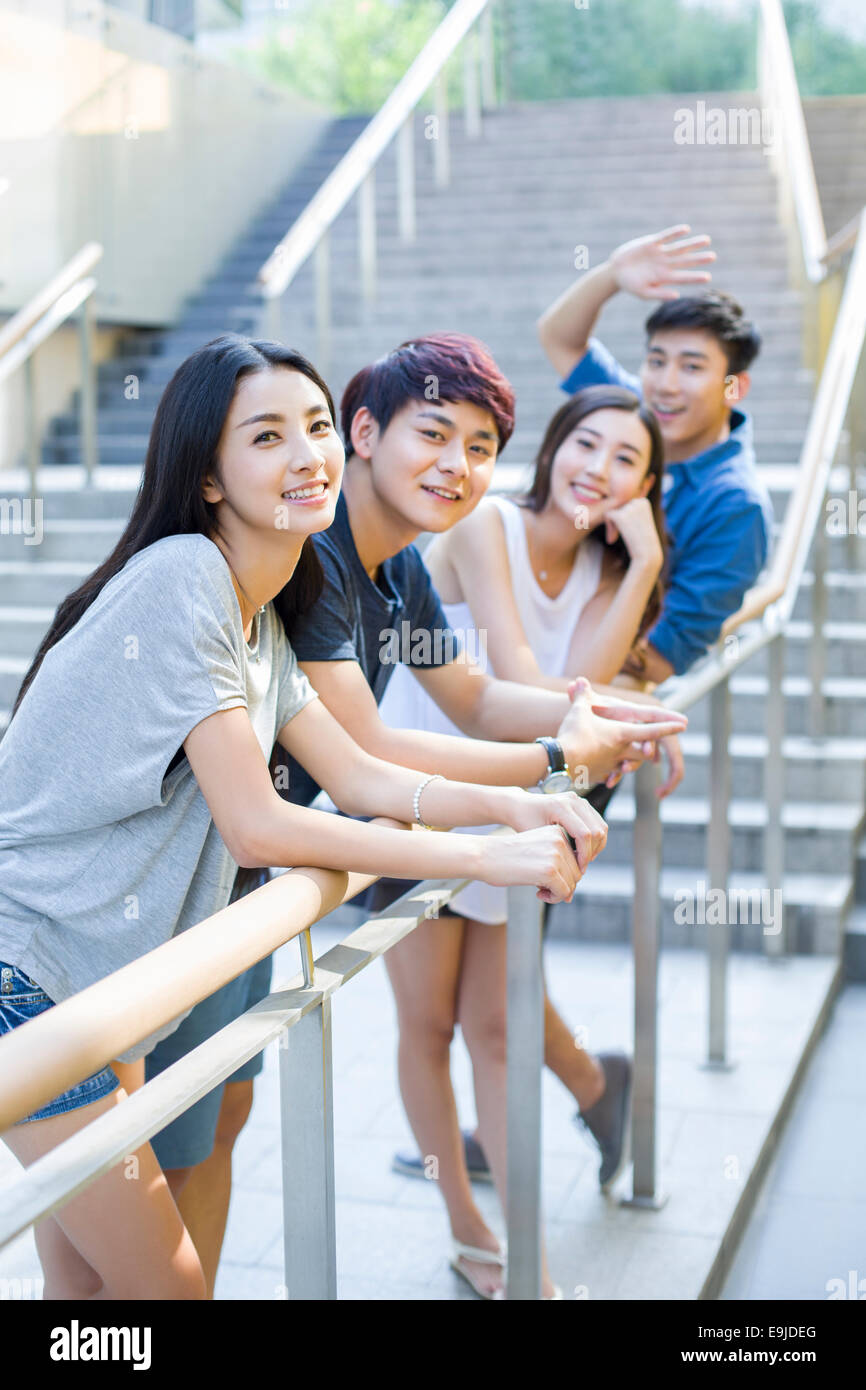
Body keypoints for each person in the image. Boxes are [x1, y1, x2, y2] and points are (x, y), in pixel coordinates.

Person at [0, 334, 615, 1301]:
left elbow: (361, 772)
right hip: (31, 981)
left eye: (318, 427)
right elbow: (259, 826)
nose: (308, 456)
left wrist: (518, 801)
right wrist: (482, 858)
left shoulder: (265, 602)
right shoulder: (183, 579)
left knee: (82, 1296)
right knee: (168, 1292)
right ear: (207, 476)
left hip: (100, 988)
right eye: (268, 437)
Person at [143, 332, 688, 1301]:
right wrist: (556, 761)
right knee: (150, 1172)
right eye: (433, 435)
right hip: (169, 882)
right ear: (363, 434)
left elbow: (471, 698)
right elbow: (366, 758)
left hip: (238, 886)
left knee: (221, 1122)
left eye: (480, 447)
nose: (457, 465)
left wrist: (592, 714)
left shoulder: (394, 569)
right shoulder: (303, 561)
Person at [375, 383, 672, 1295]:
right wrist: (631, 716)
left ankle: (531, 1265)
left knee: (498, 1030)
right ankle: (469, 1228)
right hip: (425, 787)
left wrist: (642, 563)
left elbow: (575, 686)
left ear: (646, 487)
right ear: (553, 448)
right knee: (428, 1026)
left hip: (518, 796)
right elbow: (522, 681)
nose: (600, 469)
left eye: (629, 460)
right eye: (588, 444)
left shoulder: (607, 569)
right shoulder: (484, 526)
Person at [536, 223, 774, 686]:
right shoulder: (628, 415)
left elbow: (663, 655)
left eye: (691, 367)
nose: (665, 385)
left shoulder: (736, 508)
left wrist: (543, 637)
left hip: (581, 680)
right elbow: (558, 337)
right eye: (657, 359)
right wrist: (609, 276)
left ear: (734, 386)